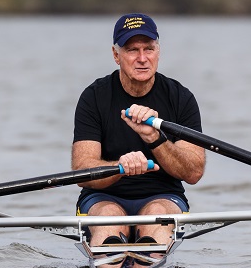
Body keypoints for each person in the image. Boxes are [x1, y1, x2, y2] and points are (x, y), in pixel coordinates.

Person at [71, 13, 206, 247]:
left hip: (164, 196)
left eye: (149, 49)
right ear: (116, 55)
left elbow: (193, 172)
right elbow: (82, 170)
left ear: (158, 52)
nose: (142, 58)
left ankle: (147, 266)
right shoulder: (94, 97)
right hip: (103, 198)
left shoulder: (181, 98)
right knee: (110, 218)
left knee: (155, 213)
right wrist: (120, 168)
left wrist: (155, 139)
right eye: (132, 50)